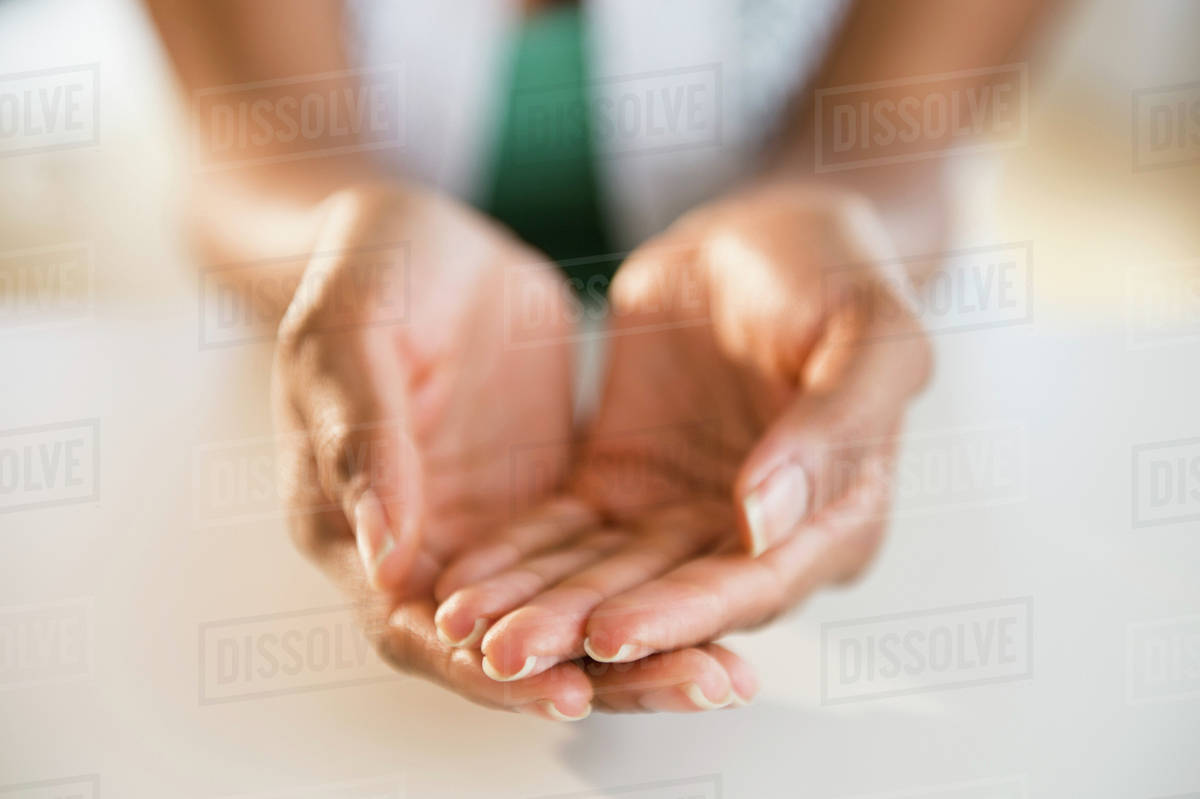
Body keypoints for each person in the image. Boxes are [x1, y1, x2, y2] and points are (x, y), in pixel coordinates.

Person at [146, 0, 1053, 720]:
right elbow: (254, 155)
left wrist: (838, 237)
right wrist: (336, 252)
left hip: (792, 377)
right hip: (386, 377)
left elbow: (896, 147)